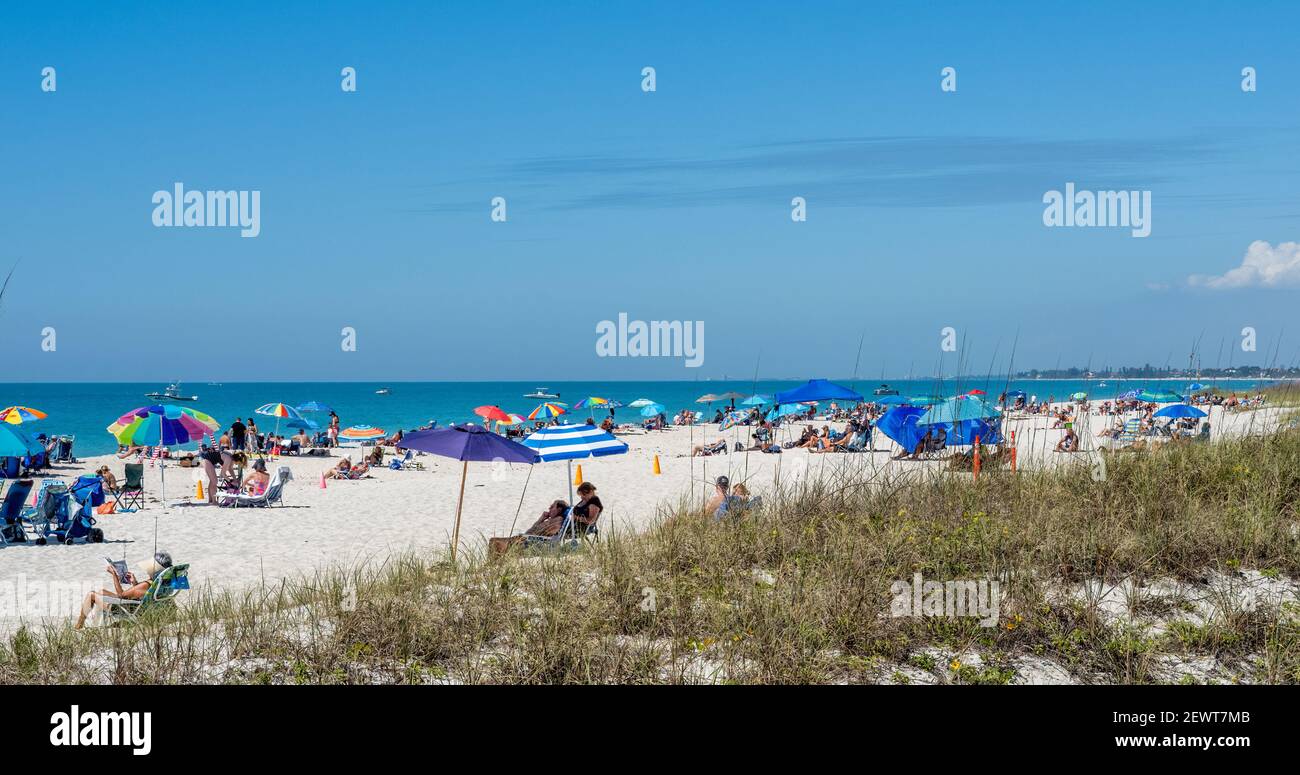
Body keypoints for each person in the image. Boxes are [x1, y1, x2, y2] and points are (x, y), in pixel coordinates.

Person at [75, 552, 173, 629]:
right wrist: (135, 583)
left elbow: (121, 595)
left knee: (91, 595)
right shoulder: (162, 583)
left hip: (129, 610)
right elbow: (146, 594)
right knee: (101, 592)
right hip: (140, 607)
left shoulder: (146, 585)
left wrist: (114, 575)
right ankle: (97, 623)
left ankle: (79, 626)